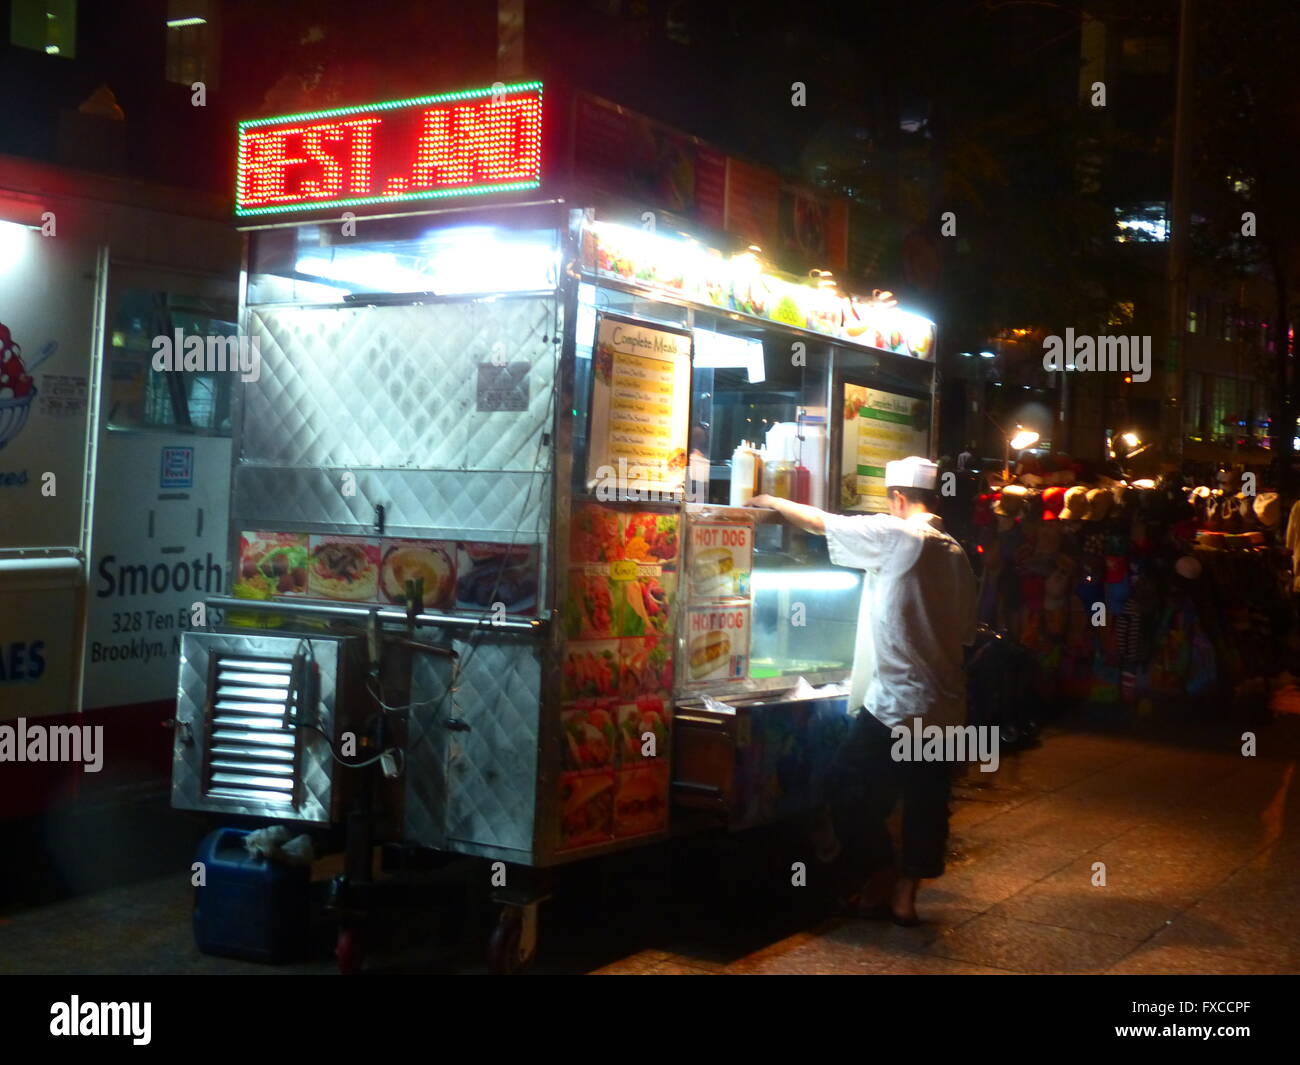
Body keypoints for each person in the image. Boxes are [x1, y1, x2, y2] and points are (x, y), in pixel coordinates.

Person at [750, 456, 978, 925]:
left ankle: (880, 871)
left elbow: (819, 523)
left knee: (844, 784)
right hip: (946, 702)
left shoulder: (898, 535)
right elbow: (965, 633)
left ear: (897, 499)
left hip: (898, 703)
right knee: (925, 801)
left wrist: (769, 499)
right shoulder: (955, 551)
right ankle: (903, 895)